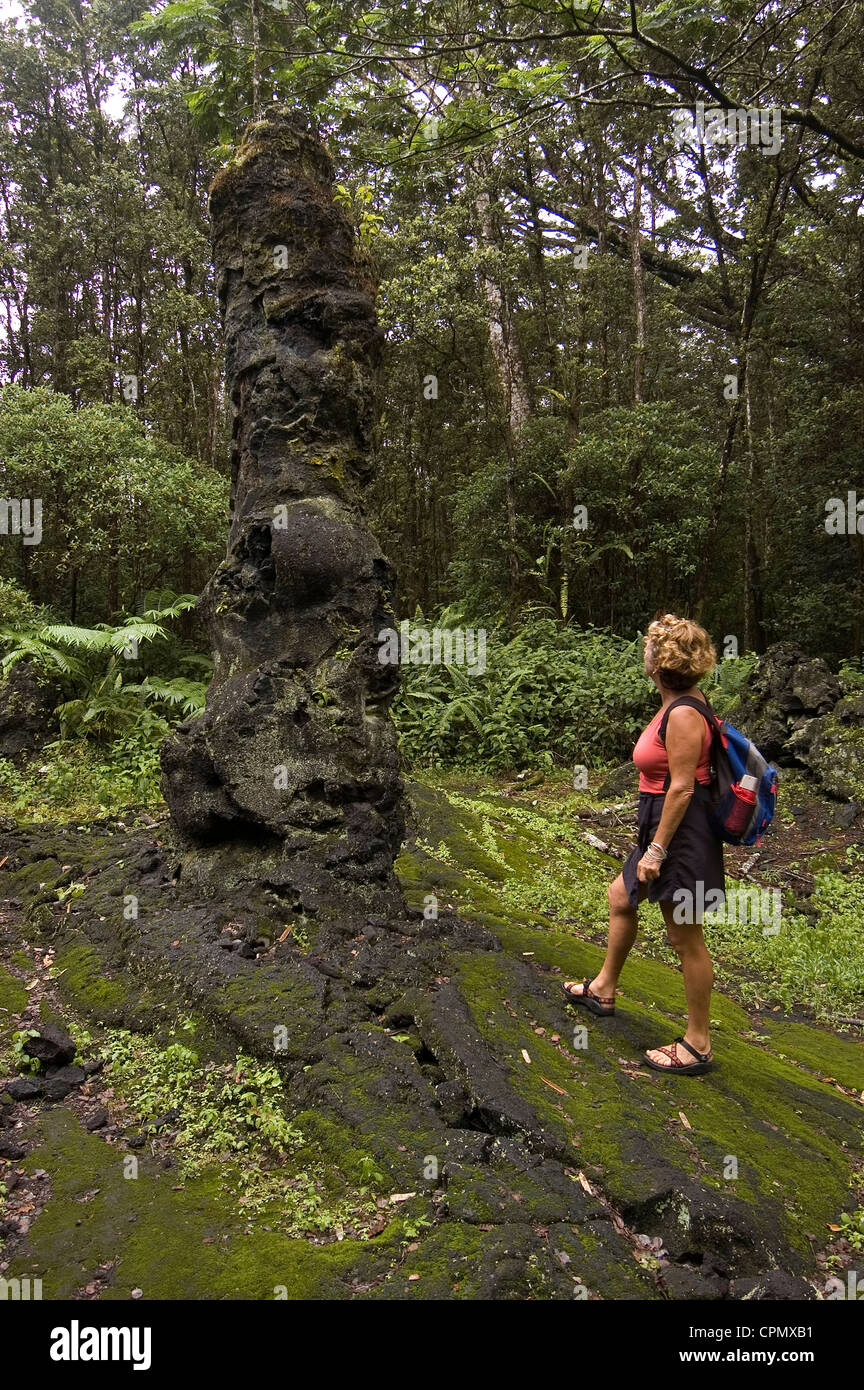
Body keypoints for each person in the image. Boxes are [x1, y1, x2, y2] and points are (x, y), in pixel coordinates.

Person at [563, 613, 723, 1075]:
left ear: (658, 662)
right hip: (661, 826)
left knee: (684, 935)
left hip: (682, 834)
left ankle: (698, 1044)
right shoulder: (677, 703)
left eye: (649, 648)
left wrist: (656, 850)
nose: (644, 653)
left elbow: (682, 788)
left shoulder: (684, 713)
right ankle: (603, 988)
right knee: (621, 895)